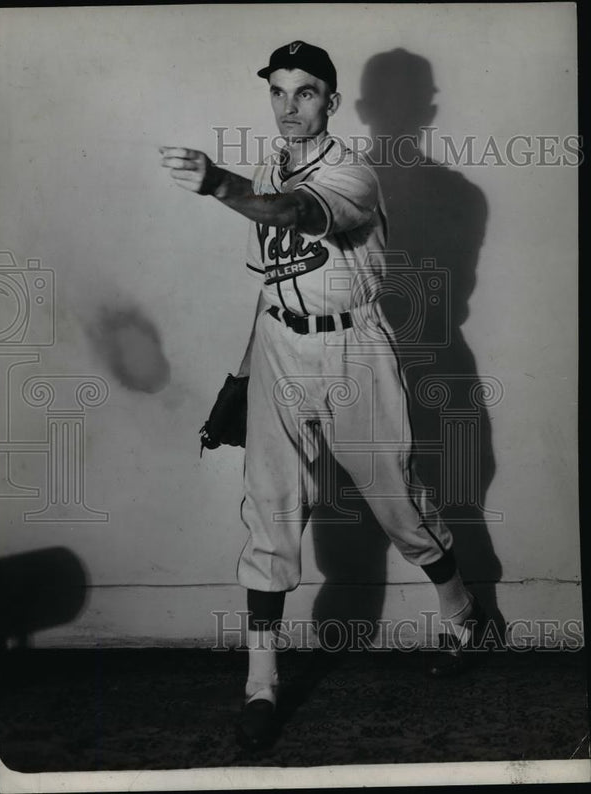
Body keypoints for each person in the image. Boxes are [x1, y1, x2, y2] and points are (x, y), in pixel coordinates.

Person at [160, 40, 486, 751]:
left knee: (399, 507)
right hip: (279, 343)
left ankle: (464, 614)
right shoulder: (273, 162)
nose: (288, 107)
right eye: (277, 92)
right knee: (270, 508)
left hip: (353, 349)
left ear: (336, 102)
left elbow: (298, 217)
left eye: (305, 92)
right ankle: (261, 686)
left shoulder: (354, 174)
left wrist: (219, 184)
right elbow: (272, 283)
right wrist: (241, 380)